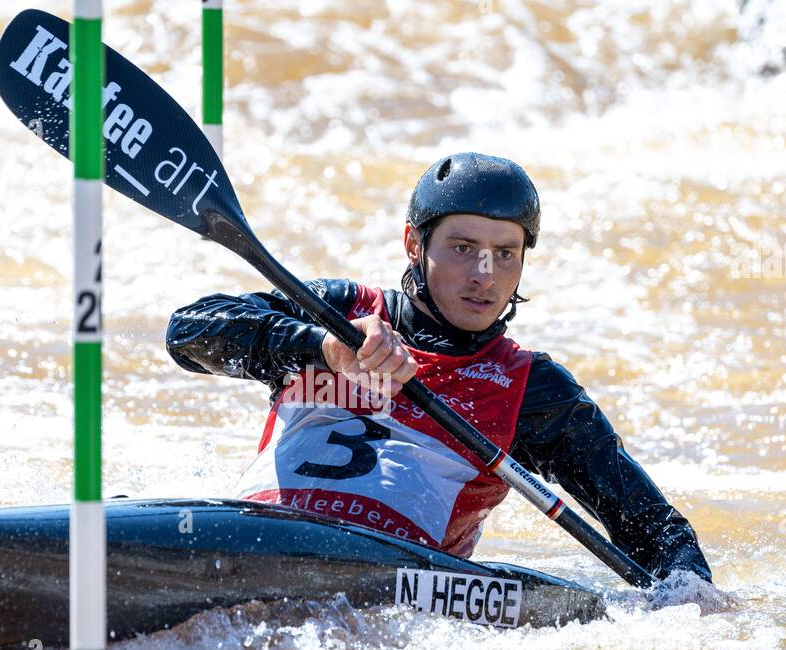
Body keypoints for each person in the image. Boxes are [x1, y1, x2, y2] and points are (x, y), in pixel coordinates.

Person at [166, 152, 712, 584]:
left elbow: (655, 532)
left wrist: (695, 602)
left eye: (506, 253)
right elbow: (187, 333)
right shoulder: (338, 312)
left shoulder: (532, 389)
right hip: (253, 543)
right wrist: (323, 348)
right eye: (462, 246)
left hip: (391, 589)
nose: (485, 275)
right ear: (413, 242)